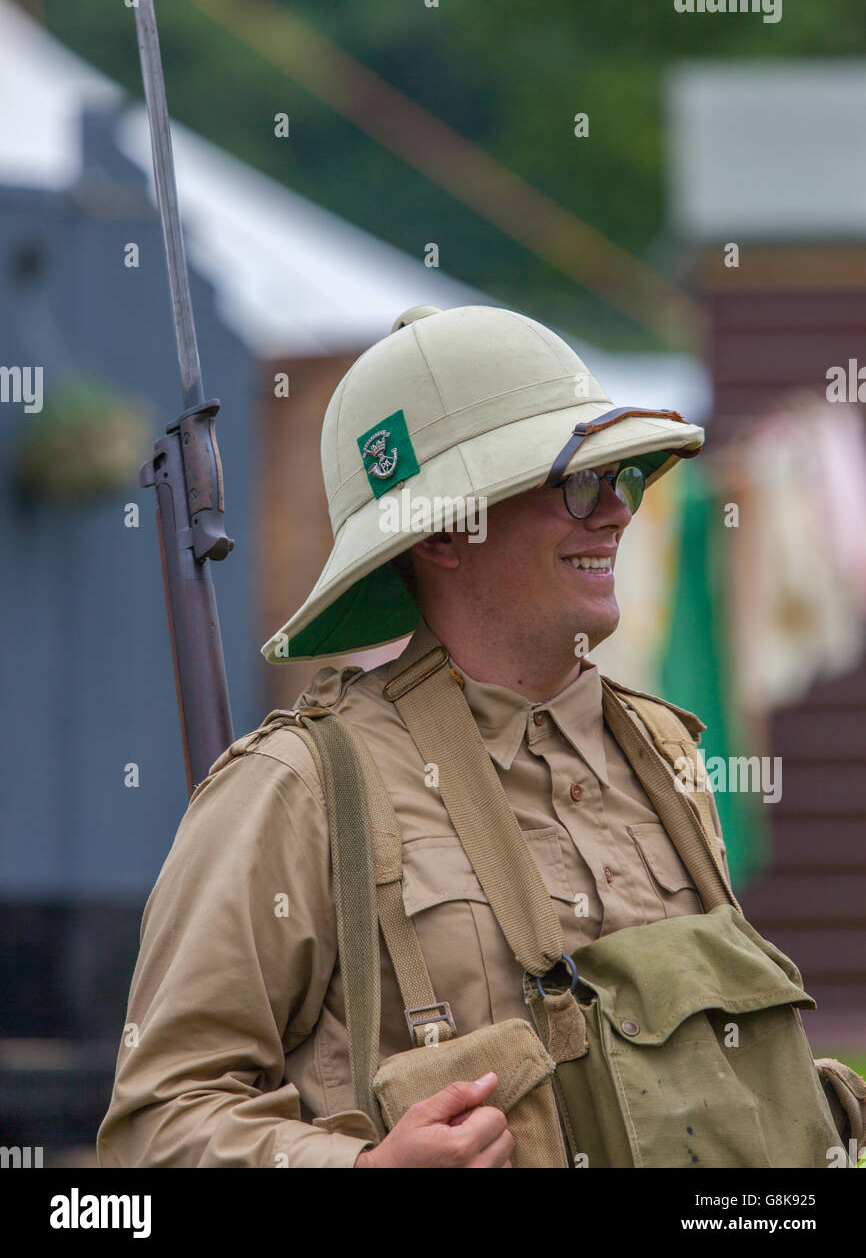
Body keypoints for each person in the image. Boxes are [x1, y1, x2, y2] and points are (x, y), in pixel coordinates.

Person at [97, 304, 861, 1169]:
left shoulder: (663, 751)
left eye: (624, 476)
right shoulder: (296, 788)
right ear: (445, 532)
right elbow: (157, 1129)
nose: (615, 512)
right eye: (576, 482)